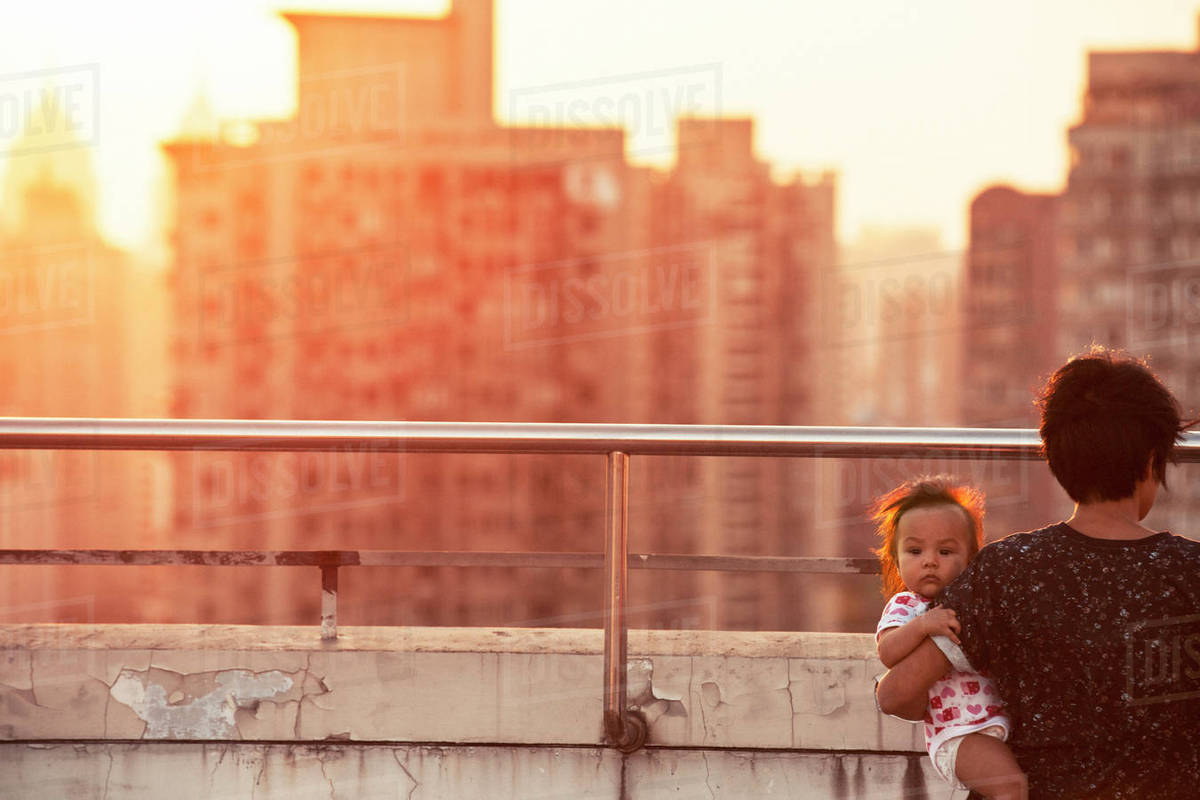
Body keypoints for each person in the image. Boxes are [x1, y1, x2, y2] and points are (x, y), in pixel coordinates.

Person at [876, 347, 1200, 798]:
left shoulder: (1008, 569)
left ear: (1057, 458)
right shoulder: (1190, 574)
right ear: (1150, 462)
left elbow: (895, 695)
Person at [872, 476, 1026, 799]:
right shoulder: (907, 605)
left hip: (995, 721)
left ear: (970, 558)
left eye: (945, 551)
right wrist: (924, 625)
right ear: (896, 559)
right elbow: (887, 651)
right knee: (1011, 788)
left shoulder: (972, 600)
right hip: (958, 734)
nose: (929, 561)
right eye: (915, 550)